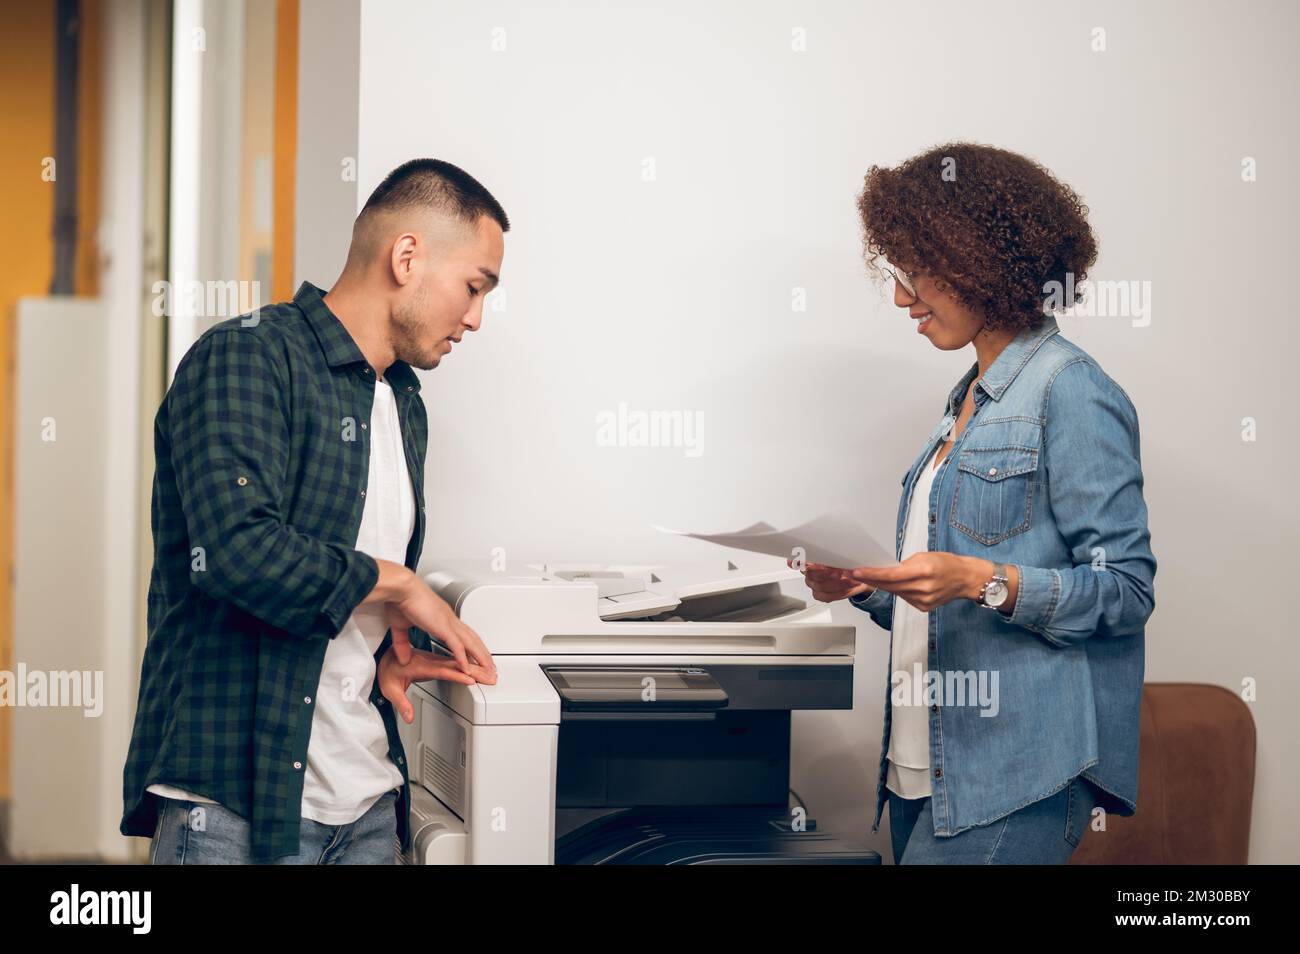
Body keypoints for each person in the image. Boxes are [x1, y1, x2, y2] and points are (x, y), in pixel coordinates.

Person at [121, 158, 506, 863]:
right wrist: (401, 585)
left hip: (366, 806)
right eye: (475, 287)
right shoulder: (245, 358)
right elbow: (237, 553)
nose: (475, 318)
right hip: (236, 813)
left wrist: (378, 653)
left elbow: (339, 586)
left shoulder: (404, 404)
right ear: (407, 255)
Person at [799, 142, 1156, 864]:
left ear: (981, 259)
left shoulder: (1070, 390)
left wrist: (978, 580)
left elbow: (1126, 590)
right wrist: (872, 588)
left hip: (1012, 778)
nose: (902, 298)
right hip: (923, 772)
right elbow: (954, 598)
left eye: (915, 271)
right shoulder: (966, 398)